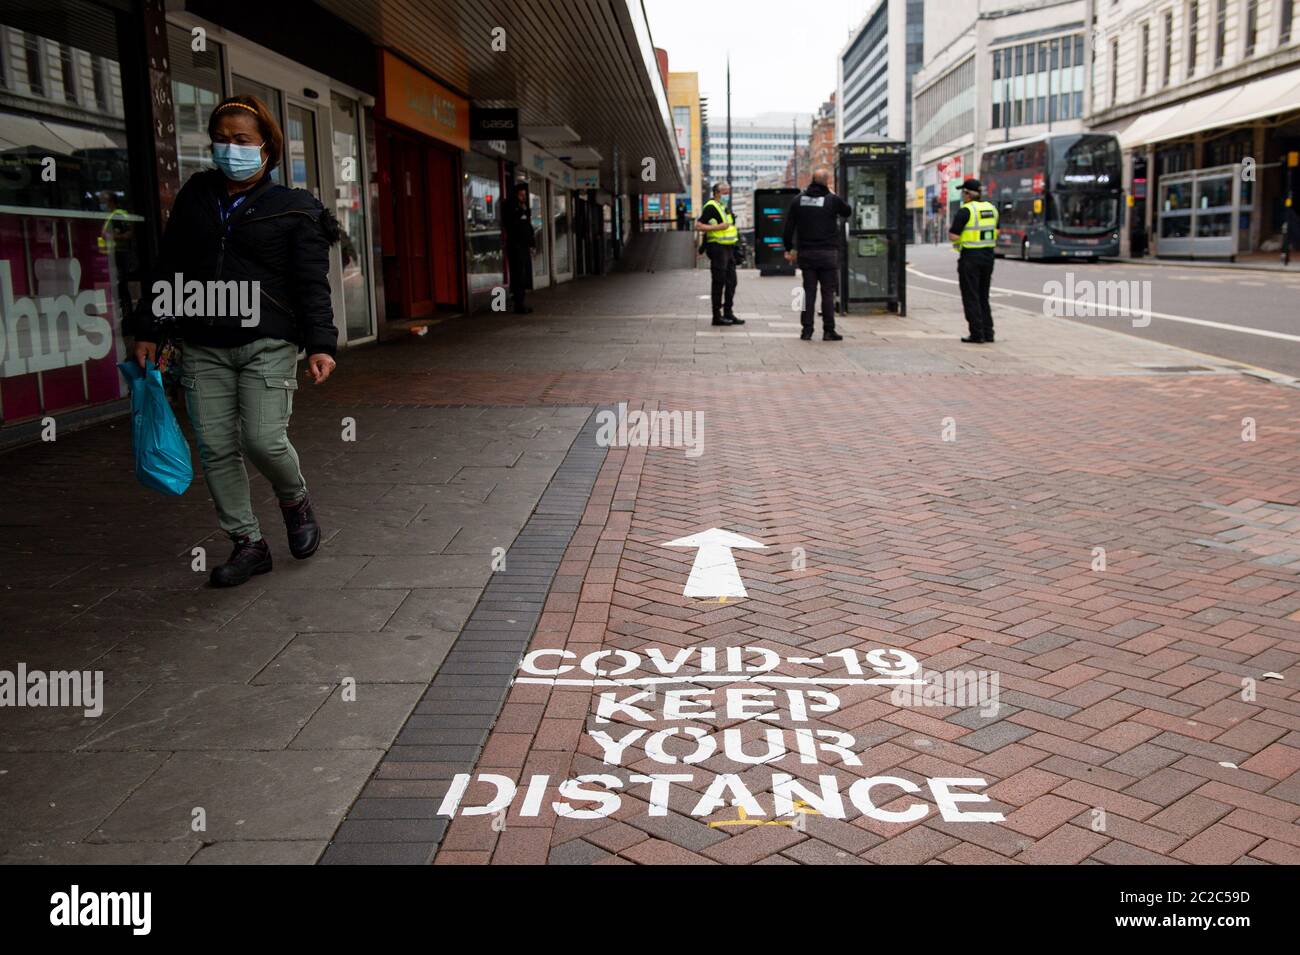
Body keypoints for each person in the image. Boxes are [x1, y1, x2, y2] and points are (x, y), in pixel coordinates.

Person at [132, 94, 338, 587]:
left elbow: (312, 281)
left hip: (267, 341)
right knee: (216, 447)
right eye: (221, 140)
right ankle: (248, 543)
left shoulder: (294, 207)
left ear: (266, 146)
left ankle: (294, 499)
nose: (230, 149)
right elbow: (170, 265)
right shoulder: (198, 195)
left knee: (263, 440)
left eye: (241, 140)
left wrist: (321, 343)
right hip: (203, 342)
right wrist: (149, 329)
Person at [783, 166, 852, 341]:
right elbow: (847, 211)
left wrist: (788, 248)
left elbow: (789, 227)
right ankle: (829, 331)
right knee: (828, 293)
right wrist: (834, 194)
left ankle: (807, 330)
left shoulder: (798, 200)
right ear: (827, 182)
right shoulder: (831, 200)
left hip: (807, 255)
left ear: (812, 180)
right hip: (828, 254)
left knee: (809, 292)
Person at [948, 178, 998, 343]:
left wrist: (960, 241)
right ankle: (988, 332)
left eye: (963, 192)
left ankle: (977, 333)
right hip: (988, 256)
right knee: (983, 295)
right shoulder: (992, 209)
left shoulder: (966, 211)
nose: (963, 195)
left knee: (971, 296)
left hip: (970, 257)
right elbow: (996, 230)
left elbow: (953, 236)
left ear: (968, 194)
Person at [696, 182, 744, 326]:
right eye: (724, 193)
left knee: (732, 282)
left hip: (728, 249)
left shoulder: (724, 208)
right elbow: (698, 225)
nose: (727, 195)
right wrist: (718, 227)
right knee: (719, 282)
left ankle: (728, 313)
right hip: (717, 249)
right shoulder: (711, 207)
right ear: (716, 193)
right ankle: (716, 316)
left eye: (728, 192)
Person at [504, 182, 536, 314]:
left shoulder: (523, 209)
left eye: (524, 195)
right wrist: (521, 212)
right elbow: (513, 225)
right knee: (518, 275)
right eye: (521, 195)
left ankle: (520, 301)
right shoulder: (511, 208)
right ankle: (518, 303)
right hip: (515, 246)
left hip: (523, 246)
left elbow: (528, 228)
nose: (523, 198)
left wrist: (531, 243)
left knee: (523, 275)